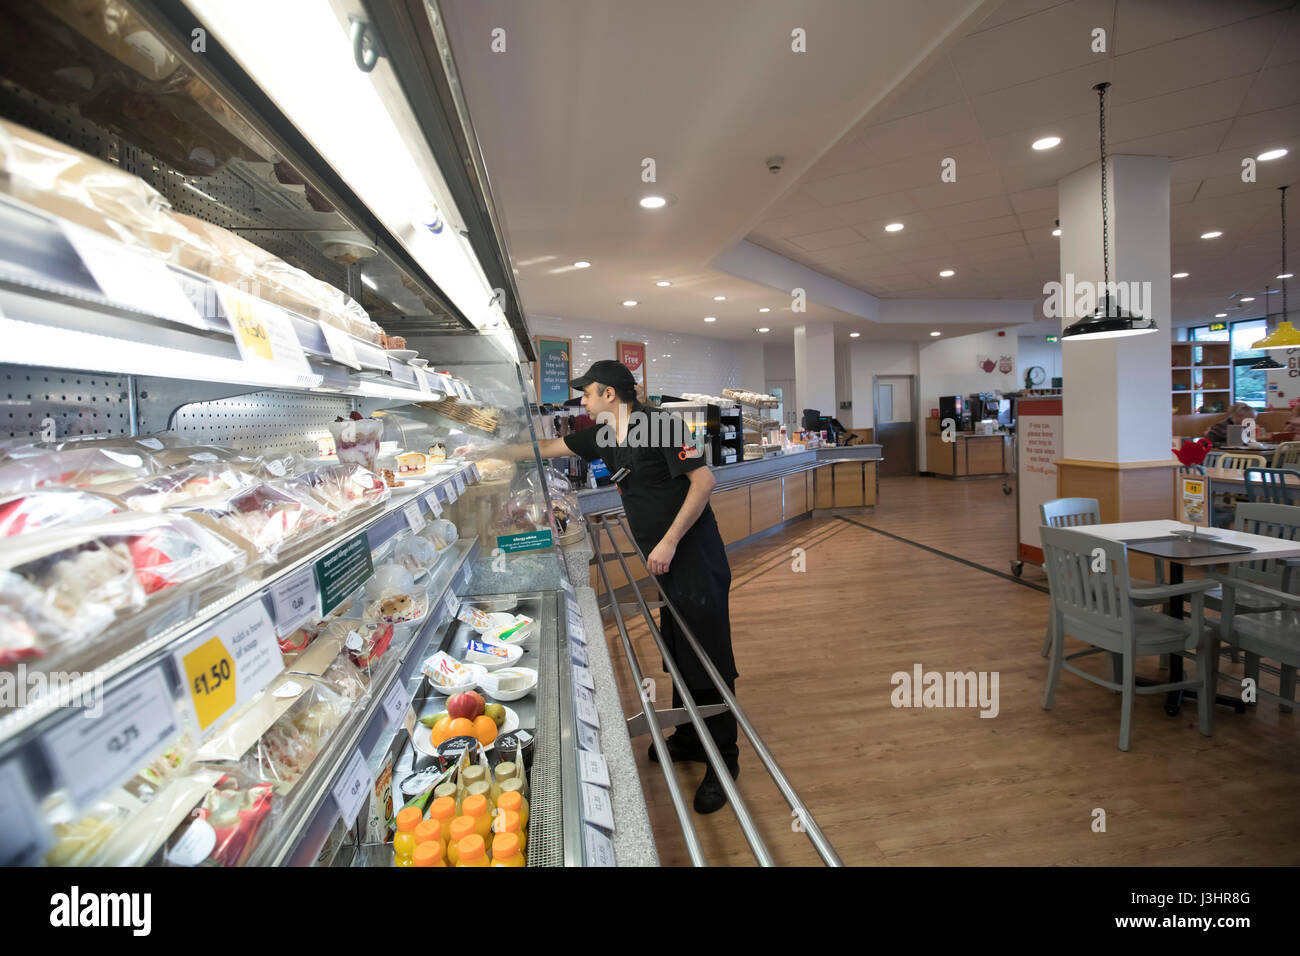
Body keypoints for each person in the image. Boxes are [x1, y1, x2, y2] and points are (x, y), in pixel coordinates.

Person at [457, 360, 740, 813]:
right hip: (665, 562)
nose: (582, 402)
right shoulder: (603, 434)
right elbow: (544, 447)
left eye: (587, 394)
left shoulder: (659, 425)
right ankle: (689, 735)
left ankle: (724, 760)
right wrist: (474, 453)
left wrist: (668, 541)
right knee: (677, 649)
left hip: (694, 557)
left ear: (610, 394)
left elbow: (705, 481)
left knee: (708, 655)